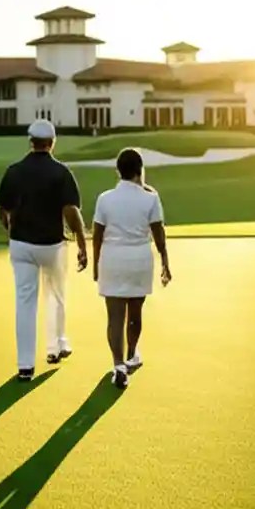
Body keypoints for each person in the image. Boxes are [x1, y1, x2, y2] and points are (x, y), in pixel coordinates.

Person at [0, 119, 88, 382]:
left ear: (30, 141)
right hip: (51, 245)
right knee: (55, 296)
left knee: (24, 303)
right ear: (52, 142)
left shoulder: (14, 171)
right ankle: (55, 347)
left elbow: (3, 212)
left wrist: (12, 232)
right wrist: (81, 242)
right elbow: (71, 211)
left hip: (21, 244)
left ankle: (25, 366)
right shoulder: (61, 172)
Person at [91, 148, 172, 389]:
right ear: (140, 170)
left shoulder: (105, 198)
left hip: (112, 260)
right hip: (138, 260)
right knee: (134, 313)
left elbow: (97, 234)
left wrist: (96, 265)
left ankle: (118, 364)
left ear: (118, 171)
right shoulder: (150, 198)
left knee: (115, 316)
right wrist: (165, 261)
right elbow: (158, 233)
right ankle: (131, 354)